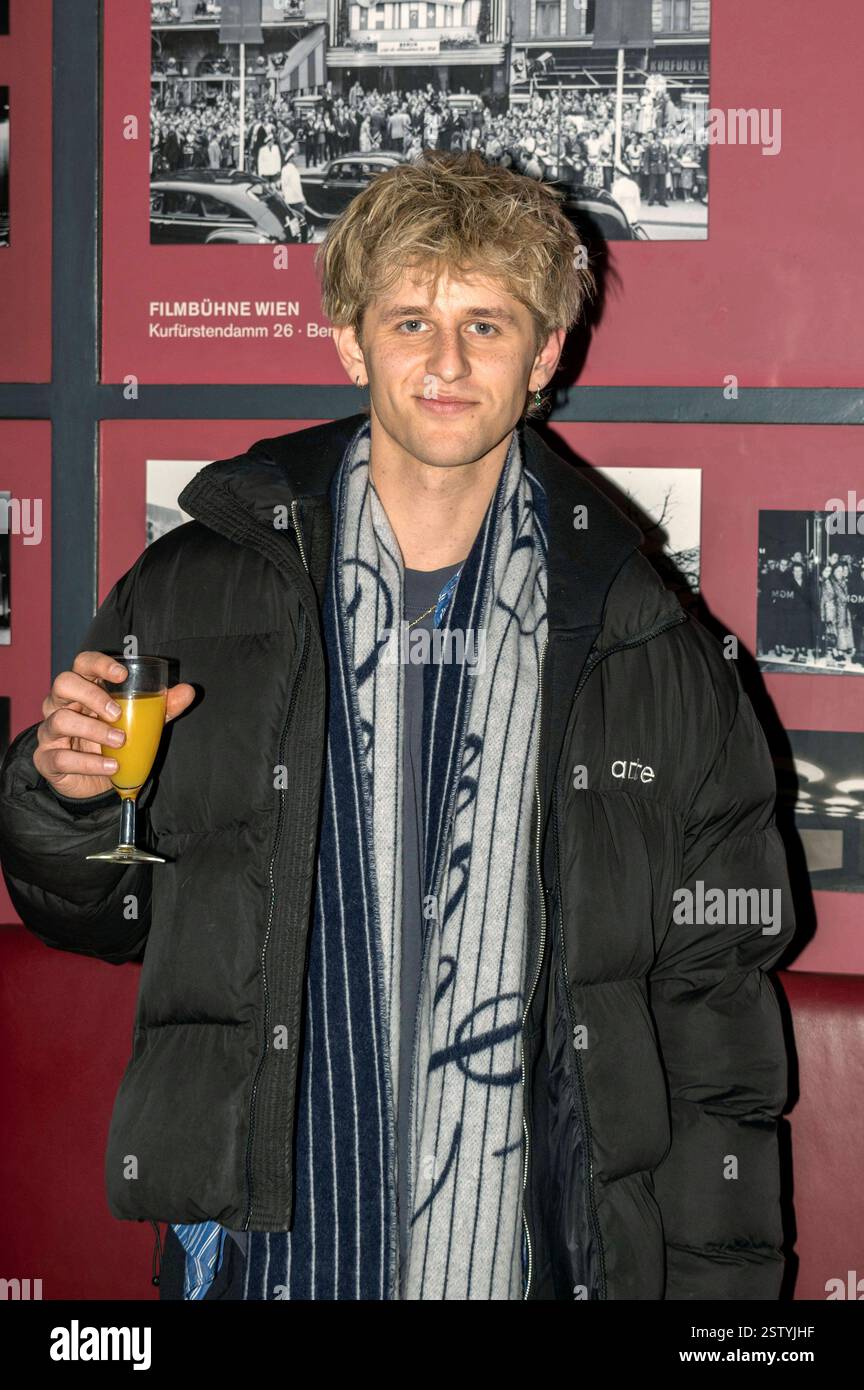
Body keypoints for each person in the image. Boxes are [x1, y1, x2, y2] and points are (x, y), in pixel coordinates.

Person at [0, 150, 795, 1303]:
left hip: (529, 1261)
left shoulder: (650, 643)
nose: (446, 360)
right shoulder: (195, 588)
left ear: (545, 356)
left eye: (488, 323)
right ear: (349, 338)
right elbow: (107, 916)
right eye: (412, 317)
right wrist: (63, 803)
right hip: (264, 1258)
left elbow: (717, 1022)